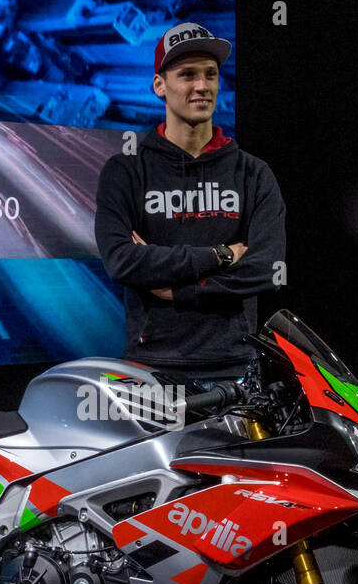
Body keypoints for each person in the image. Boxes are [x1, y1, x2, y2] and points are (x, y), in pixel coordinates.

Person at [94, 22, 286, 388]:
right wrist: (221, 255)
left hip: (235, 368)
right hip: (152, 369)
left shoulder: (253, 173)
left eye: (210, 74)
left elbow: (267, 269)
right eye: (187, 75)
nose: (202, 86)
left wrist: (178, 289)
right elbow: (123, 260)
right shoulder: (126, 171)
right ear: (159, 86)